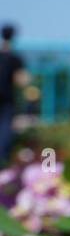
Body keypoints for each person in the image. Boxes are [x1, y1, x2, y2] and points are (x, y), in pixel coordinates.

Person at [0, 23, 28, 163]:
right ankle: (2, 161)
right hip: (6, 98)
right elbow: (22, 80)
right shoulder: (14, 58)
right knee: (5, 129)